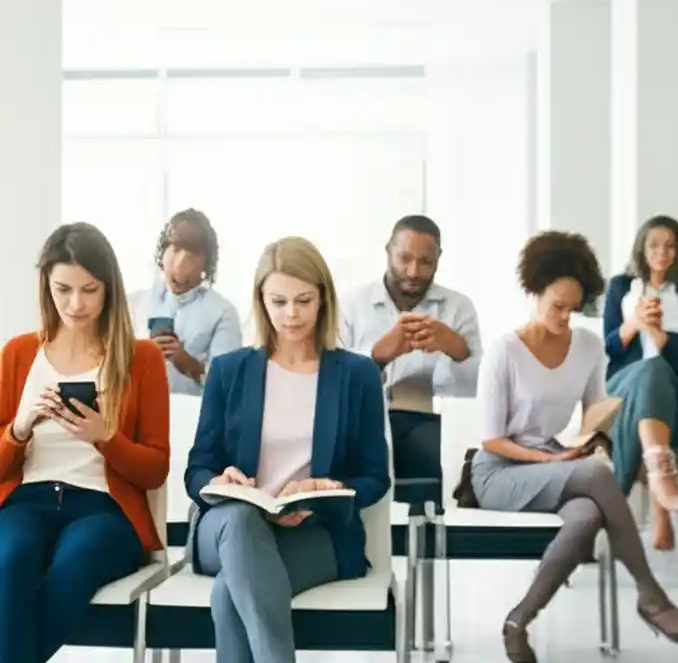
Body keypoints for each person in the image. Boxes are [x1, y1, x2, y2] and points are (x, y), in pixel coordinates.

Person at [473, 231, 678, 662]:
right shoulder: (504, 351)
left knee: (587, 516)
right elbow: (491, 439)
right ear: (534, 292)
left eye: (572, 308)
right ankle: (651, 598)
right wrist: (556, 459)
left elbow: (594, 417)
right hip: (499, 471)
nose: (564, 317)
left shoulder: (586, 346)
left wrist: (588, 447)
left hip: (554, 461)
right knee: (596, 477)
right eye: (556, 306)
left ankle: (518, 622)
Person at [185, 236, 390, 663]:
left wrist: (325, 489)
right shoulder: (229, 371)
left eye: (303, 300)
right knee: (241, 519)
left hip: (316, 531)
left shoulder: (358, 375)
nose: (291, 314)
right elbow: (197, 469)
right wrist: (220, 481)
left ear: (323, 300)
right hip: (227, 529)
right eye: (278, 301)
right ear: (261, 300)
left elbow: (375, 477)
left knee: (229, 595)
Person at [0, 223, 170, 663]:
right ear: (46, 286)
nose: (76, 304)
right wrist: (18, 430)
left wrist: (106, 439)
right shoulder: (18, 354)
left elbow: (155, 470)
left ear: (109, 288)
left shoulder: (142, 357)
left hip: (105, 510)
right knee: (10, 562)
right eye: (63, 290)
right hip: (29, 501)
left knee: (71, 569)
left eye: (89, 290)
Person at [340, 215, 482, 500]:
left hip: (431, 426)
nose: (413, 271)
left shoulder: (458, 308)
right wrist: (377, 356)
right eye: (404, 258)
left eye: (426, 262)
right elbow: (332, 380)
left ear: (439, 259)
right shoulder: (351, 304)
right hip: (364, 424)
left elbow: (480, 390)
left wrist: (456, 349)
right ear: (388, 252)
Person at [602, 215, 678, 550]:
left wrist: (657, 333)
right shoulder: (621, 286)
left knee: (655, 374)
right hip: (622, 385)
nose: (662, 252)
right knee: (648, 372)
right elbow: (610, 348)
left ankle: (628, 491)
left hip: (675, 386)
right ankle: (662, 492)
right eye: (654, 244)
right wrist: (635, 323)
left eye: (670, 245)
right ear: (642, 248)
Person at [129, 209, 242, 395]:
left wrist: (187, 364)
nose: (181, 263)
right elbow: (109, 371)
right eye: (175, 249)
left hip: (193, 418)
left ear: (207, 263)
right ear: (163, 252)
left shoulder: (223, 313)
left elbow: (229, 389)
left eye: (193, 254)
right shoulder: (134, 305)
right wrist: (143, 355)